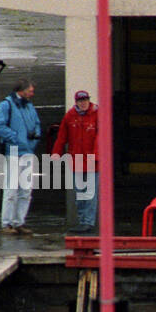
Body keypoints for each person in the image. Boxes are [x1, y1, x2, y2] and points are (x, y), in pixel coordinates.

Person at [0, 79, 41, 236]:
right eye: (30, 90)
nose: (32, 93)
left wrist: (35, 136)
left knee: (26, 190)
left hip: (27, 152)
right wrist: (15, 138)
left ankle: (19, 222)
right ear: (22, 90)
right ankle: (7, 223)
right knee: (11, 190)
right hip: (13, 152)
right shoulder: (6, 105)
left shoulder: (29, 105)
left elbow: (37, 123)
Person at [51, 90, 99, 233]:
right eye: (80, 100)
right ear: (76, 102)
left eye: (85, 100)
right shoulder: (70, 116)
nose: (83, 103)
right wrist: (56, 153)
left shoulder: (98, 114)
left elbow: (101, 136)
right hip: (76, 159)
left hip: (91, 161)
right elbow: (62, 137)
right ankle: (82, 220)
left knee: (90, 193)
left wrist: (96, 156)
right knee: (79, 193)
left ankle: (88, 222)